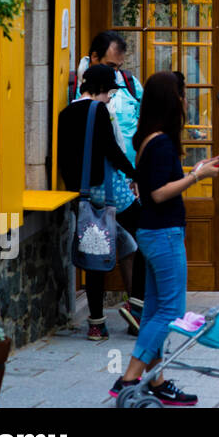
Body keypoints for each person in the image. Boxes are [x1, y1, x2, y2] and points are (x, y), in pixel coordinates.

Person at [110, 72, 219, 404]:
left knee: (154, 310)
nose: (185, 100)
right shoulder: (159, 142)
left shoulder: (149, 139)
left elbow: (154, 185)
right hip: (163, 234)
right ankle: (129, 378)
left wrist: (195, 170)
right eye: (181, 94)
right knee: (172, 312)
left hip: (154, 232)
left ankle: (157, 381)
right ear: (168, 101)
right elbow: (158, 193)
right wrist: (196, 176)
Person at [59, 64, 140, 340]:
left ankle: (96, 324)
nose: (109, 97)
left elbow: (64, 157)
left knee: (95, 253)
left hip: (82, 194)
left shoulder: (66, 113)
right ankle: (137, 308)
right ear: (103, 90)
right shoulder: (99, 110)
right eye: (109, 92)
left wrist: (74, 191)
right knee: (143, 235)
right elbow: (112, 150)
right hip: (110, 191)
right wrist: (134, 174)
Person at [74, 31, 146, 334]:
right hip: (107, 188)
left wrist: (139, 171)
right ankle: (120, 315)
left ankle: (123, 315)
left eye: (119, 66)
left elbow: (142, 126)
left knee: (127, 245)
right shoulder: (83, 98)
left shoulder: (129, 84)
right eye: (110, 66)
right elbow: (105, 147)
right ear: (94, 59)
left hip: (124, 185)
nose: (116, 75)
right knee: (102, 247)